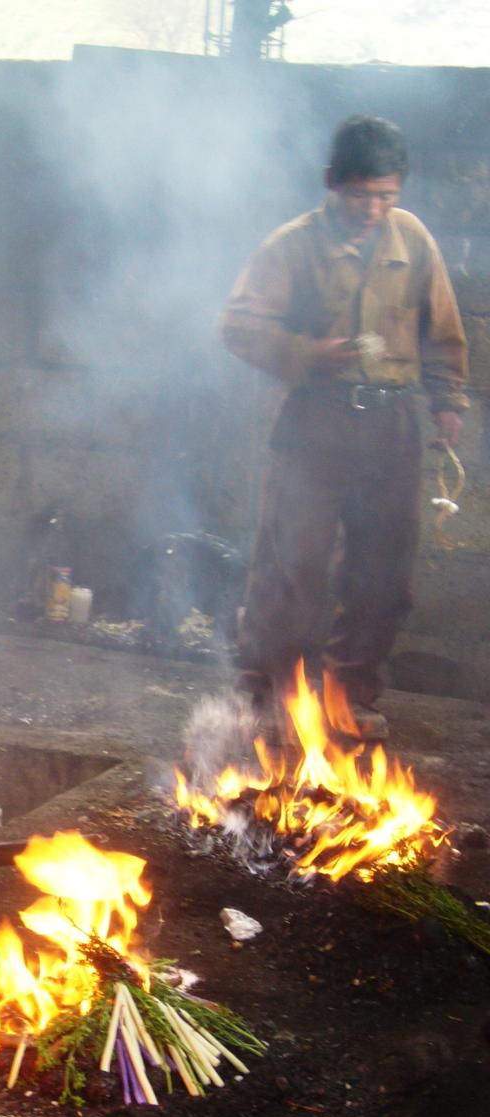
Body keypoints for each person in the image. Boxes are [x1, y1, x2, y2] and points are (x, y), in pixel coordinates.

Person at [219, 115, 468, 741]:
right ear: (332, 183)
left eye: (387, 196)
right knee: (291, 565)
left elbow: (442, 330)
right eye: (361, 195)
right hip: (316, 422)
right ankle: (267, 693)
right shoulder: (291, 246)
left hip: (392, 424)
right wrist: (305, 353)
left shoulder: (411, 241)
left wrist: (448, 401)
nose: (373, 208)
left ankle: (350, 694)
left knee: (384, 570)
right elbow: (239, 325)